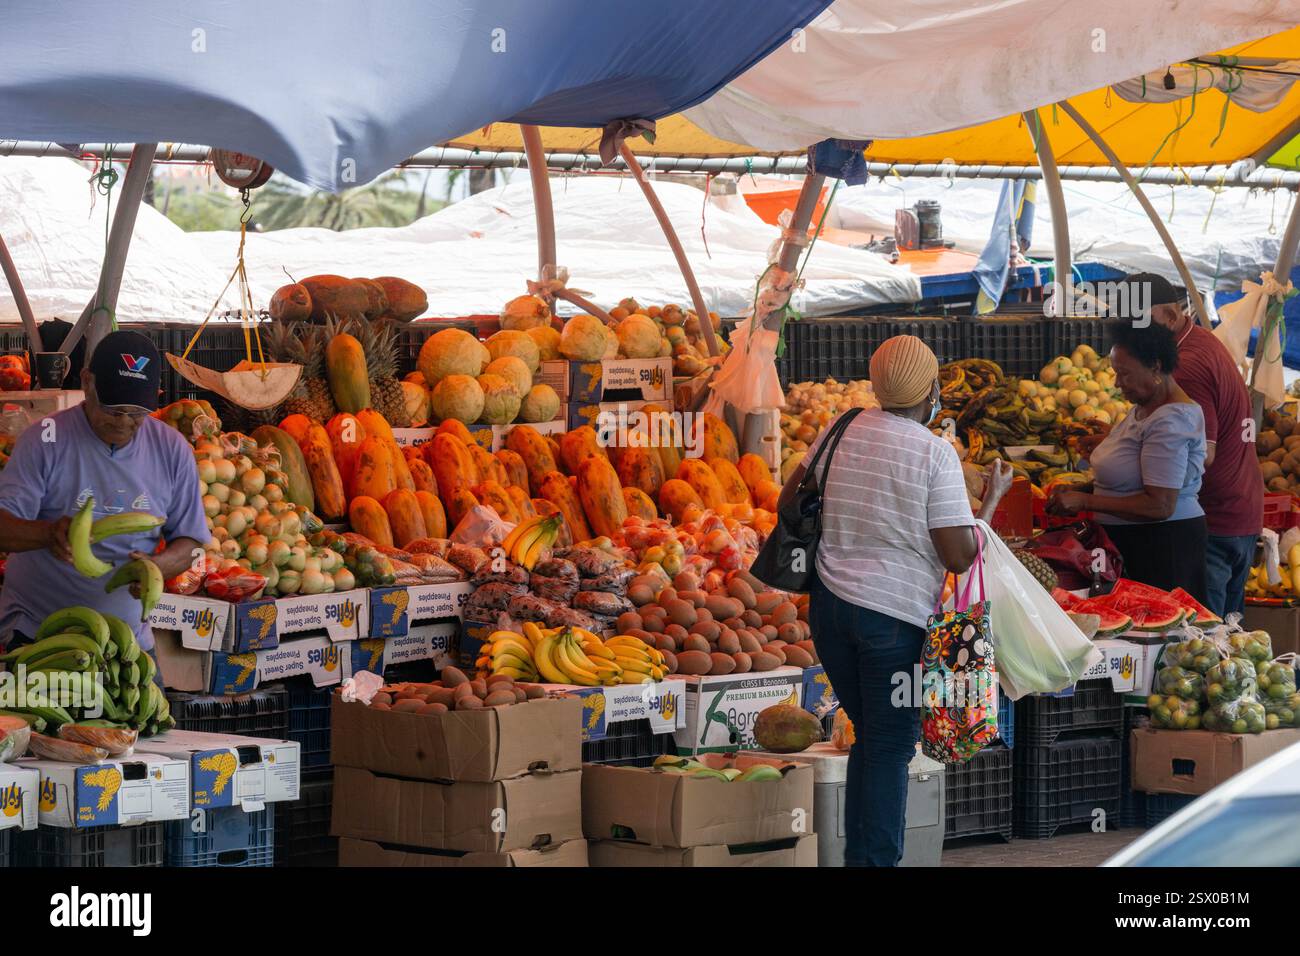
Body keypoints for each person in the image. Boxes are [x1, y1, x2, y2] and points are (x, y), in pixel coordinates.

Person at [779, 334, 1013, 867]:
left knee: (872, 739)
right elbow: (957, 554)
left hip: (831, 610)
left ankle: (862, 857)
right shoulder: (934, 453)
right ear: (931, 390)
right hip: (894, 622)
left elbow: (789, 499)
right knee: (888, 746)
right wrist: (992, 502)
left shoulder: (840, 429)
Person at [0, 331, 209, 676]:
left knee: (151, 728)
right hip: (41, 637)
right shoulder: (44, 439)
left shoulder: (173, 450)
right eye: (113, 408)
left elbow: (192, 542)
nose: (124, 421)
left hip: (128, 644)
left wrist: (159, 567)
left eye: (137, 412)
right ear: (86, 381)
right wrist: (48, 534)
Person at [1117, 273, 1261, 617]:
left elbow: (1201, 456)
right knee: (1229, 641)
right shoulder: (1198, 341)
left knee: (1204, 643)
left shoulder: (1187, 365)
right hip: (1240, 509)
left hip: (1216, 520)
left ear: (1168, 315)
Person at [1049, 321, 1208, 599]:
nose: (1117, 383)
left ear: (1155, 366)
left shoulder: (1171, 419)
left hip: (1161, 548)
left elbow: (1160, 504)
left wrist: (1085, 501)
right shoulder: (1145, 407)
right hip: (1134, 544)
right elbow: (1134, 475)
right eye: (1114, 373)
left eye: (1124, 374)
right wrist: (1082, 490)